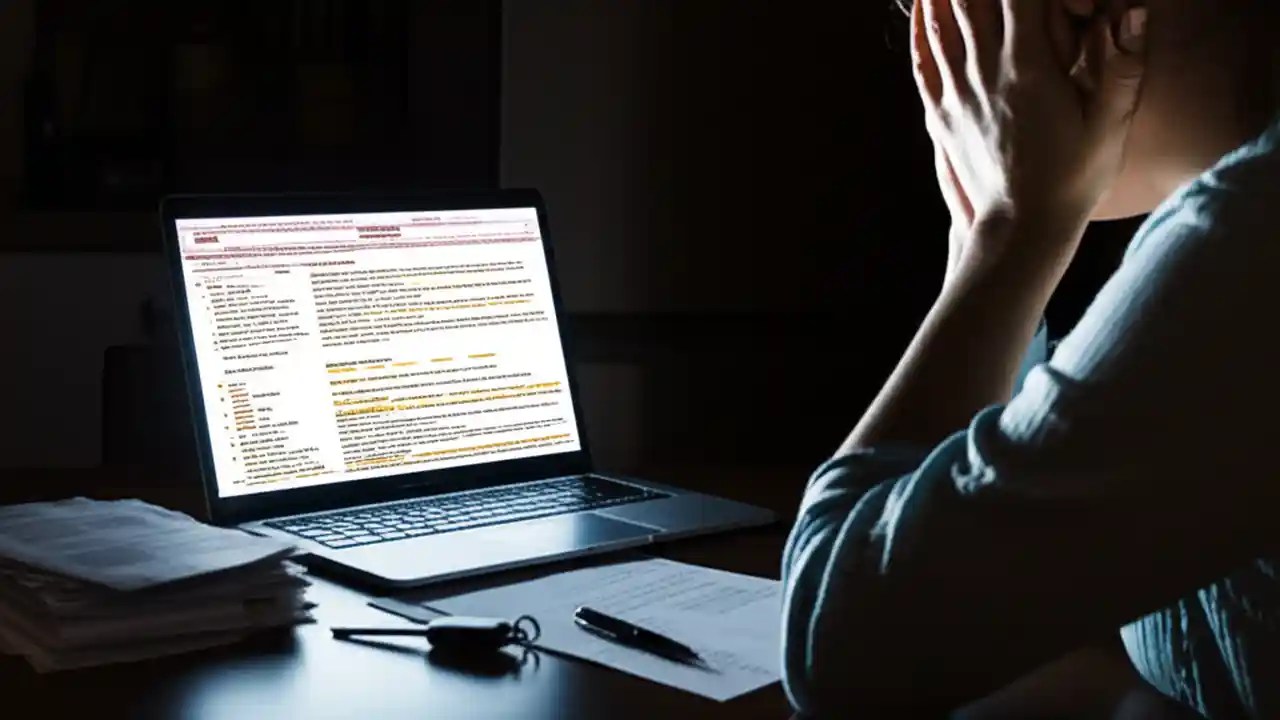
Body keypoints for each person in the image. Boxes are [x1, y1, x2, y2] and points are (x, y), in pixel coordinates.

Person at [780, 0, 1280, 718]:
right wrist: (983, 243)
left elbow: (839, 652)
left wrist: (1009, 234)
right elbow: (1007, 580)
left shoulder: (1246, 246)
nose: (953, 80)